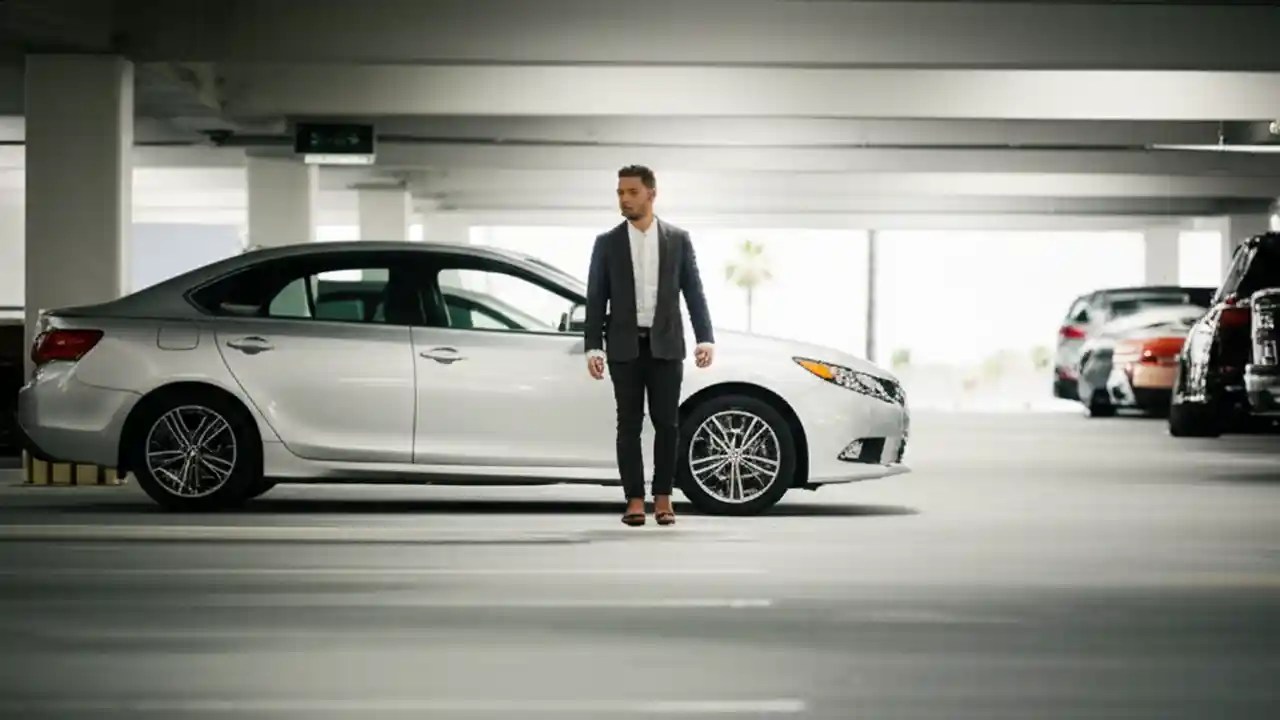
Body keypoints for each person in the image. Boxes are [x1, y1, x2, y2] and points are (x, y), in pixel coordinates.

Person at [583, 165, 715, 527]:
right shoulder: (607, 243)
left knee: (667, 424)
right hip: (624, 347)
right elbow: (596, 298)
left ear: (651, 194)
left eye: (632, 192)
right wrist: (593, 346)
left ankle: (663, 497)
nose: (624, 199)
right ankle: (634, 500)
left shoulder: (678, 239)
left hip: (666, 346)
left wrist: (705, 337)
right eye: (620, 193)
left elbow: (694, 292)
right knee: (628, 425)